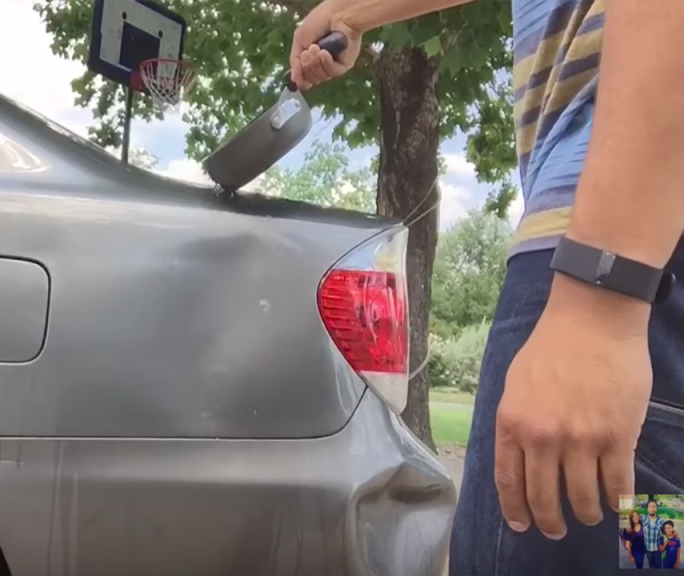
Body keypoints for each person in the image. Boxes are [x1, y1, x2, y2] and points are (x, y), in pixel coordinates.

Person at [290, 0, 684, 574]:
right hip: (646, 278)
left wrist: (601, 295)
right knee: (652, 552)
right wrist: (353, 13)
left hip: (616, 262)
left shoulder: (603, 288)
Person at [640, 500, 668, 569]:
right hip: (647, 548)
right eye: (650, 507)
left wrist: (664, 545)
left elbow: (665, 533)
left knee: (658, 566)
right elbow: (633, 520)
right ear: (647, 508)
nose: (652, 509)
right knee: (651, 565)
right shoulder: (643, 518)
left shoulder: (661, 520)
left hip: (657, 550)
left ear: (656, 508)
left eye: (654, 506)